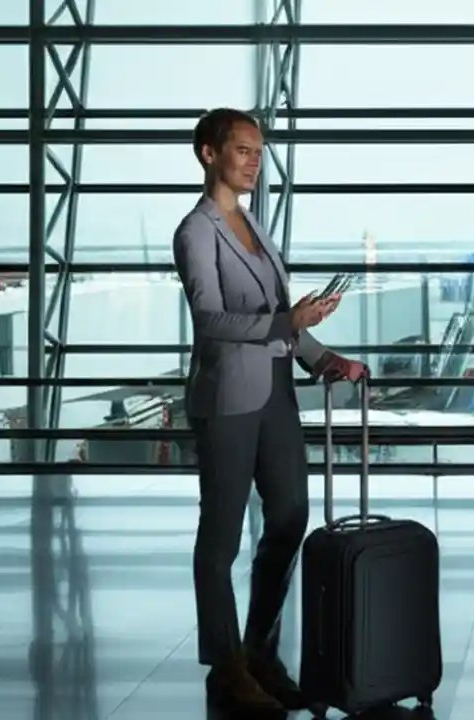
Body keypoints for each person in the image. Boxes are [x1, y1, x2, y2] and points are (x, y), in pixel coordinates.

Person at [172, 107, 368, 714]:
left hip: (277, 392)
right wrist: (290, 321)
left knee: (289, 516)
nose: (255, 161)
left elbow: (281, 317)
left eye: (259, 152)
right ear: (209, 154)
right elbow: (210, 319)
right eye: (242, 151)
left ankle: (259, 649)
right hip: (229, 399)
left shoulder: (255, 225)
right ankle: (228, 666)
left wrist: (324, 354)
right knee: (221, 538)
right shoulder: (196, 230)